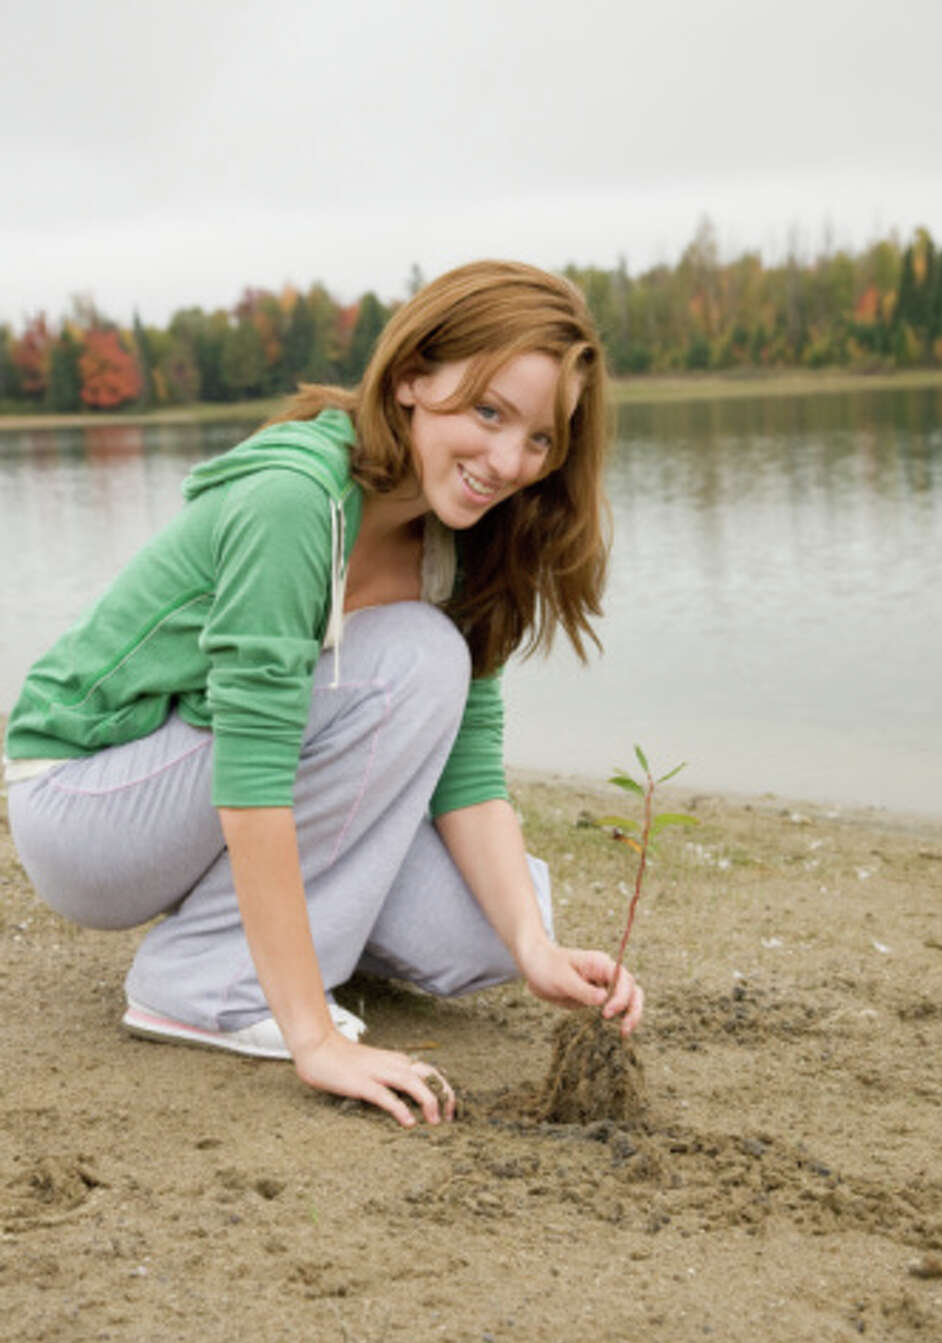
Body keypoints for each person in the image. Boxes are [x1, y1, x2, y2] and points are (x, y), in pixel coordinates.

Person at [4, 259, 643, 1129]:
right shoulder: (296, 499)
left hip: (199, 793)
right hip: (87, 804)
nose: (507, 462)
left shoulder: (462, 534)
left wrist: (535, 949)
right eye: (489, 412)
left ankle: (272, 942)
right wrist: (315, 1039)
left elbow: (469, 770)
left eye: (539, 439)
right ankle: (202, 985)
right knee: (418, 656)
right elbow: (255, 772)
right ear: (415, 375)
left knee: (488, 932)